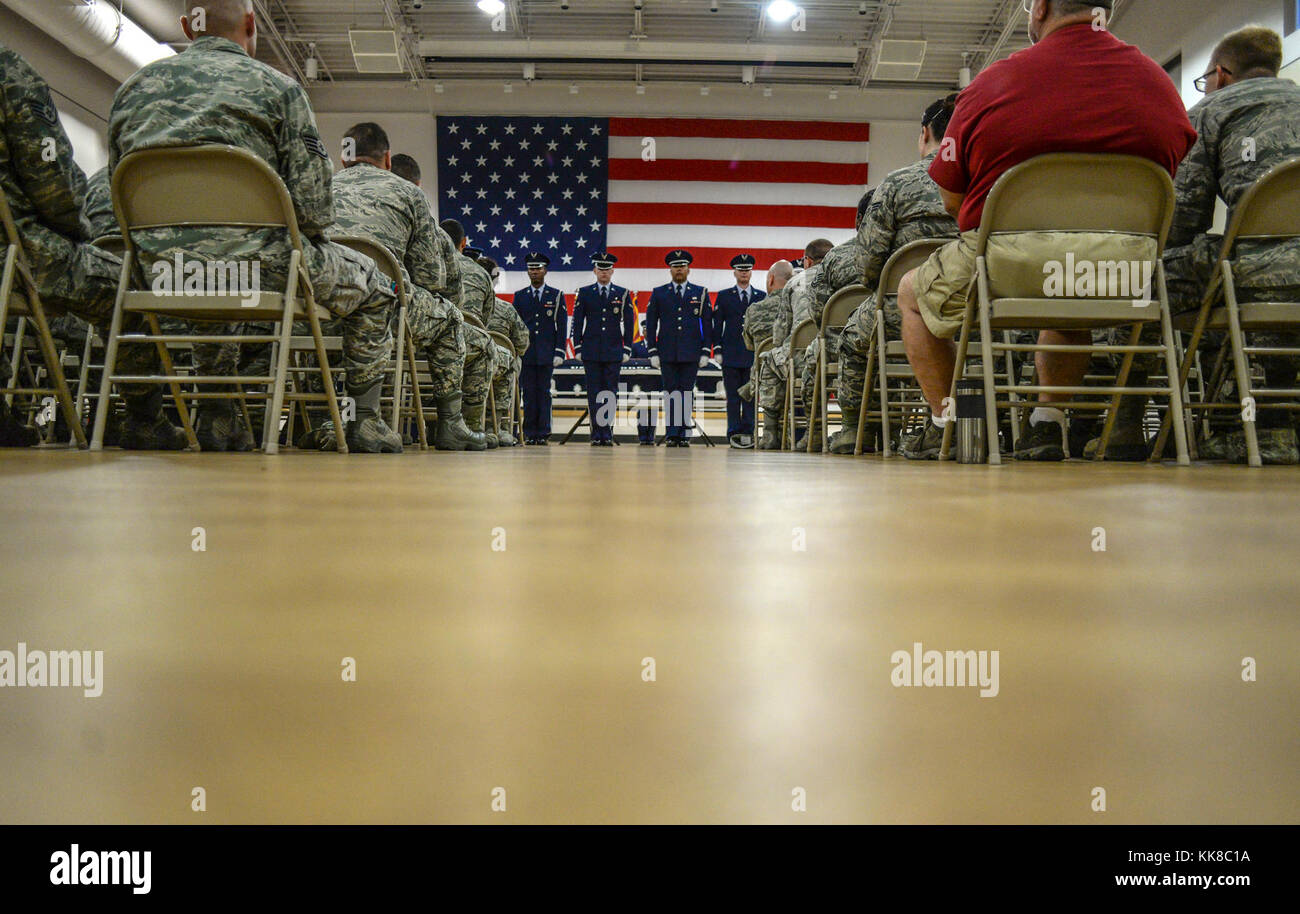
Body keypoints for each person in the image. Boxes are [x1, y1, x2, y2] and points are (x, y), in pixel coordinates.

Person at [894, 0, 1196, 460]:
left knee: (912, 296)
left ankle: (958, 425)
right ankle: (1046, 425)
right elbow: (1171, 180)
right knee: (1068, 303)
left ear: (1039, 7)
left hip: (1009, 266)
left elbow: (953, 202)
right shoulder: (1159, 85)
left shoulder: (991, 84)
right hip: (1123, 271)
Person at [107, 0, 404, 453]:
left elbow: (116, 199)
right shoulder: (279, 90)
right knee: (378, 286)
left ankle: (169, 417)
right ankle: (364, 421)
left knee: (207, 269)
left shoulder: (131, 91)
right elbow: (315, 209)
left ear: (187, 28)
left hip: (158, 269)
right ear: (251, 24)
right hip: (262, 268)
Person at [1096, 25, 1300, 464]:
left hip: (1249, 271)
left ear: (1222, 75)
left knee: (1137, 282)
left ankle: (1127, 425)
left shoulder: (1210, 111)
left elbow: (1182, 221)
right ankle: (1261, 423)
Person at [0, 42, 185, 449]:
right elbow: (52, 182)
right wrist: (74, 232)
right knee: (126, 289)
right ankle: (145, 420)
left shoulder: (109, 179)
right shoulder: (6, 68)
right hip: (16, 256)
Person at [326, 123, 483, 450]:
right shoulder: (409, 193)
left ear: (344, 159)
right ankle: (450, 425)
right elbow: (430, 277)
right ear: (386, 158)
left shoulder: (321, 186)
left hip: (321, 306)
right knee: (451, 319)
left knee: (312, 329)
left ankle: (319, 421)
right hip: (387, 305)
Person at [828, 97, 961, 454]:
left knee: (853, 342)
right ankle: (973, 425)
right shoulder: (985, 179)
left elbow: (868, 263)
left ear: (925, 134)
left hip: (897, 309)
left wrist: (883, 289)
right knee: (977, 352)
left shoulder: (896, 185)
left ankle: (862, 431)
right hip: (971, 303)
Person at [742, 240, 831, 450]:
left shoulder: (795, 283)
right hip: (843, 358)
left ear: (807, 261)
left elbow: (781, 333)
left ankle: (772, 432)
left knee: (770, 359)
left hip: (803, 359)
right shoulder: (843, 280)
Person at [439, 217, 500, 447]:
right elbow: (483, 321)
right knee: (484, 344)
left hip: (411, 343)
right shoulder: (479, 273)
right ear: (463, 243)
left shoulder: (419, 259)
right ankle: (472, 426)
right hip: (455, 344)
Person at [645, 250, 711, 447]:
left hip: (691, 353)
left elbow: (707, 323)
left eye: (682, 266)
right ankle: (672, 433)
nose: (679, 269)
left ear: (688, 269)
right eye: (675, 266)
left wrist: (706, 350)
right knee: (671, 393)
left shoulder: (700, 293)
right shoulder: (659, 293)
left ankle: (684, 433)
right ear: (670, 270)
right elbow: (650, 323)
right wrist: (652, 351)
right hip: (667, 353)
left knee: (686, 393)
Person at [571, 252, 635, 445]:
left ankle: (606, 433)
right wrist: (578, 346)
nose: (604, 272)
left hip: (613, 351)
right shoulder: (585, 292)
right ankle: (595, 433)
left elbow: (630, 323)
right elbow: (578, 321)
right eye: (601, 269)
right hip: (591, 351)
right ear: (595, 270)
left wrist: (627, 348)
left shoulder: (622, 293)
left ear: (612, 271)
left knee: (609, 392)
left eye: (607, 269)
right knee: (593, 392)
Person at [738, 259, 795, 449]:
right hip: (795, 373)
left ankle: (769, 432)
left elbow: (749, 345)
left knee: (765, 364)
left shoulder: (754, 310)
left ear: (770, 280)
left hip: (763, 375)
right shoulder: (799, 307)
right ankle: (792, 433)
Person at [511, 252, 567, 445]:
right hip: (526, 353)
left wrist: (560, 351)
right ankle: (528, 432)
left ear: (545, 271)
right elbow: (515, 325)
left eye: (538, 268)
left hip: (546, 353)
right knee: (527, 393)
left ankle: (543, 432)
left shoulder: (556, 295)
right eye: (531, 269)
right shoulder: (520, 297)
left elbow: (561, 326)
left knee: (544, 393)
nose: (534, 272)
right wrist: (516, 351)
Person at [712, 254, 765, 448]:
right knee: (733, 397)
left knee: (750, 396)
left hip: (752, 354)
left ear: (751, 272)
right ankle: (733, 432)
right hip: (731, 353)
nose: (744, 273)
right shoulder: (725, 296)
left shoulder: (761, 296)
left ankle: (748, 431)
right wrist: (716, 348)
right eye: (741, 270)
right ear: (734, 272)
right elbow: (717, 324)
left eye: (747, 270)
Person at [479, 256, 530, 447]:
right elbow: (522, 343)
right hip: (494, 370)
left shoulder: (457, 306)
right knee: (511, 360)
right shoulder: (506, 310)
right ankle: (496, 427)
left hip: (461, 366)